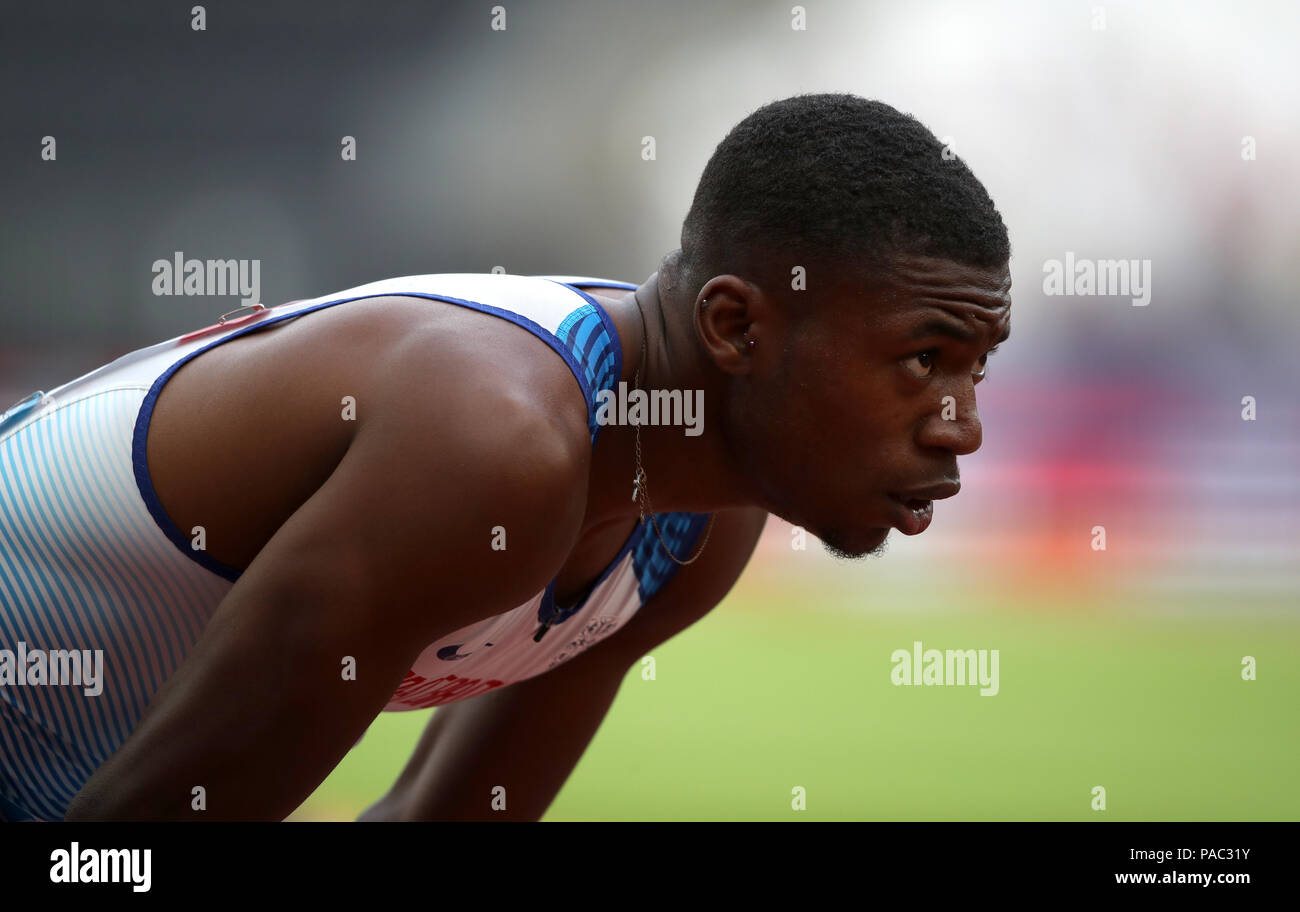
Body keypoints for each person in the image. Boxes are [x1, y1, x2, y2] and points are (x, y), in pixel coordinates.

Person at [0, 93, 1011, 821]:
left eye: (975, 369)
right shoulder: (496, 444)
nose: (960, 425)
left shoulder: (699, 529)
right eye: (923, 359)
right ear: (736, 327)